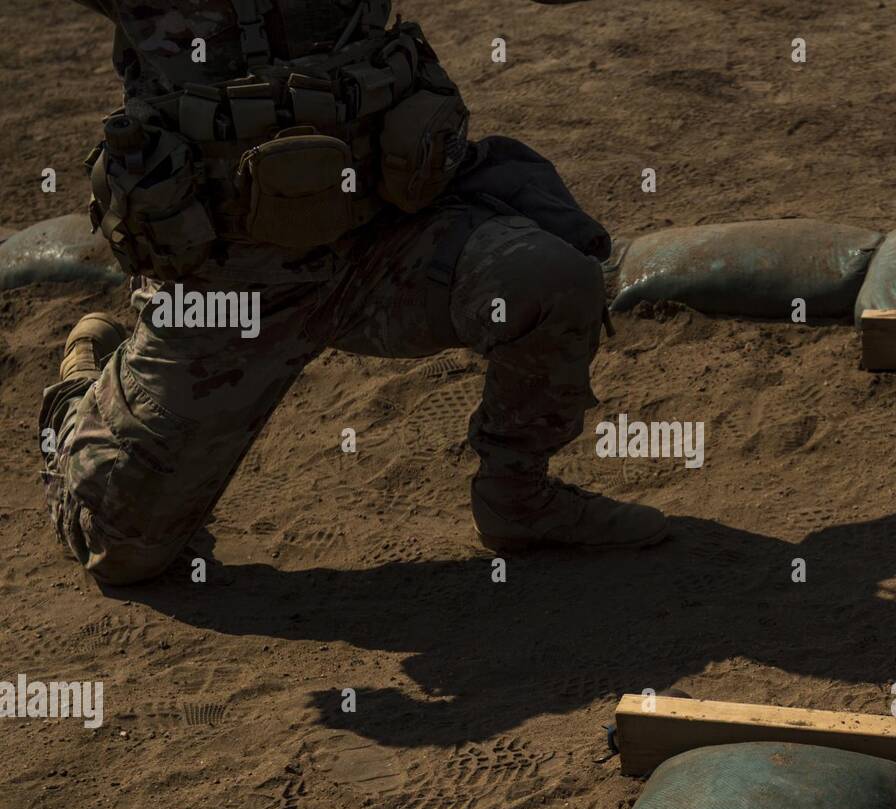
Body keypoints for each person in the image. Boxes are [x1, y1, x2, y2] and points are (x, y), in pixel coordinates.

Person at [42, 0, 668, 586]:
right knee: (123, 551)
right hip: (227, 286)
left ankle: (519, 499)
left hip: (389, 240)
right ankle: (82, 387)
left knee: (549, 278)